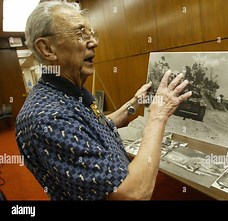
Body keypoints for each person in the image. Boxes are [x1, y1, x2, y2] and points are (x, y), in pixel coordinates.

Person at [15, 1, 192, 200]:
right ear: (47, 48)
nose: (94, 42)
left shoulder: (65, 93)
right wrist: (158, 115)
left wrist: (135, 103)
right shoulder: (48, 118)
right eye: (80, 34)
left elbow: (97, 127)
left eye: (92, 34)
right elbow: (133, 194)